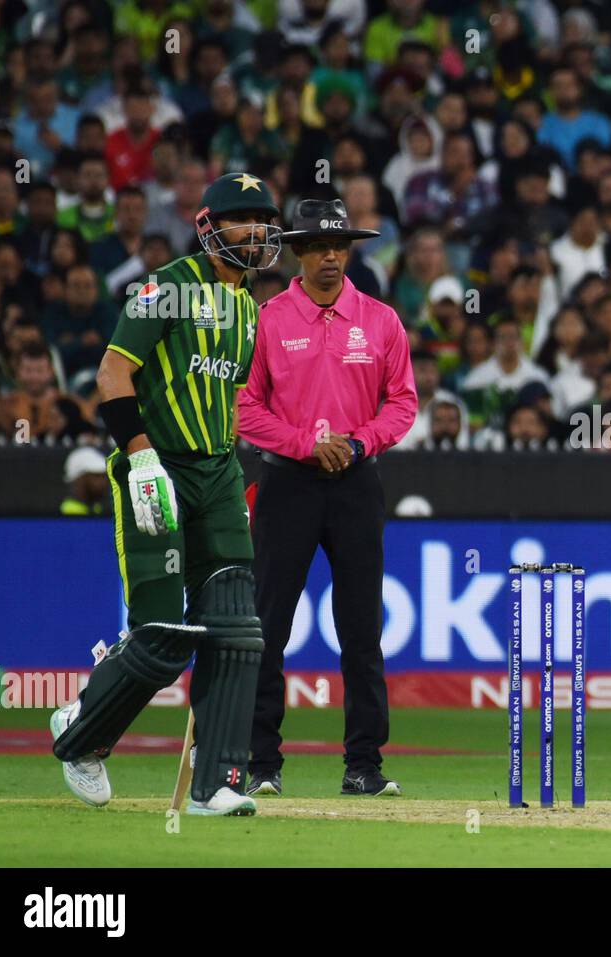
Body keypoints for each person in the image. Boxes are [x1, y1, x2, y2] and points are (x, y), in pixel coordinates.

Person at [50, 171, 284, 817]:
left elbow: (229, 397)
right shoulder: (167, 288)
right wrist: (143, 457)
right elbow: (113, 372)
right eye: (244, 218)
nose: (258, 231)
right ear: (210, 226)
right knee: (163, 632)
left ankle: (217, 782)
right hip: (157, 467)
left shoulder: (247, 307)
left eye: (265, 219)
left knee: (238, 628)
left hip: (218, 472)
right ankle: (81, 735)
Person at [238, 198, 417, 798]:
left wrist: (359, 446)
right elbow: (243, 409)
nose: (331, 256)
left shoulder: (382, 320)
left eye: (340, 246)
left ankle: (363, 766)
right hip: (288, 481)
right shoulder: (266, 319)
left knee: (361, 630)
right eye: (317, 246)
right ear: (298, 252)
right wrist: (306, 446)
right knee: (268, 627)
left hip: (356, 483)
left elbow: (403, 403)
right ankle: (261, 765)